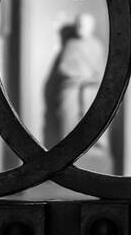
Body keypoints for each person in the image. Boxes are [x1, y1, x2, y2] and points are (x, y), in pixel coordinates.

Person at [42, 13, 106, 145]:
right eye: (79, 24)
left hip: (90, 88)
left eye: (84, 24)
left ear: (91, 27)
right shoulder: (71, 44)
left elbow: (100, 71)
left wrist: (88, 79)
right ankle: (69, 144)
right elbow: (63, 68)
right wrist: (75, 77)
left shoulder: (96, 46)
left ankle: (94, 145)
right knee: (68, 112)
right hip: (71, 87)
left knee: (93, 109)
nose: (81, 26)